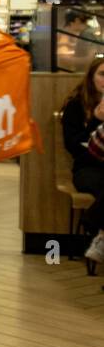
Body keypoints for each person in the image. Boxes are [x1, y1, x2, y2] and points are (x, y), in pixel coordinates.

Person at [61, 57, 104, 262]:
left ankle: (94, 221)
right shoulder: (76, 105)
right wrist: (96, 119)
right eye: (102, 74)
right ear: (91, 77)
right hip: (87, 168)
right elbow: (75, 146)